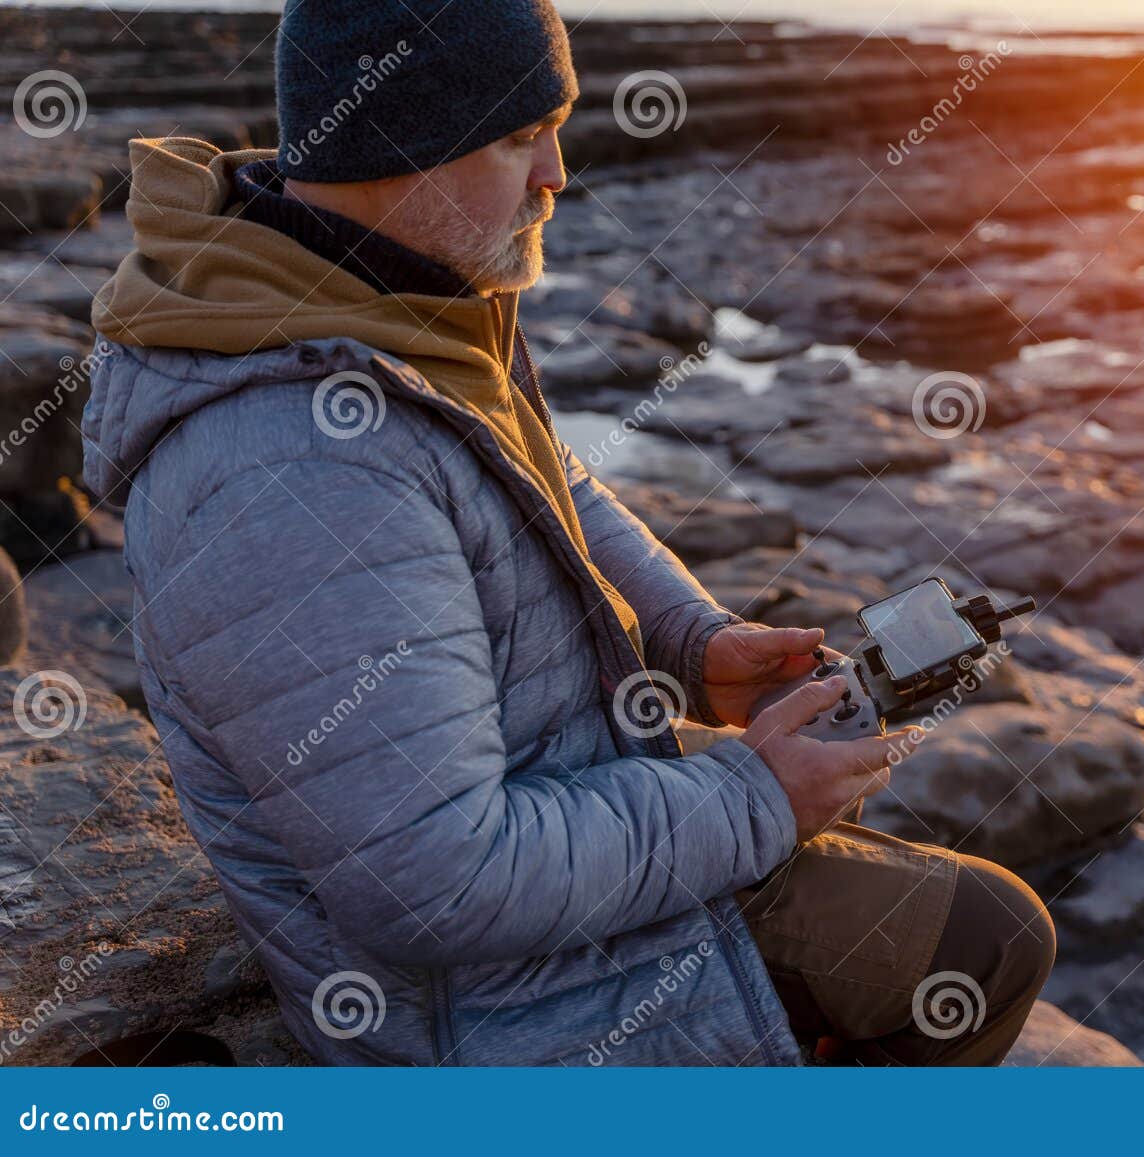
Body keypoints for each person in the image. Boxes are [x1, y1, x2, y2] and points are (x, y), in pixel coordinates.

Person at [82, 0, 1053, 1066]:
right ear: (398, 139)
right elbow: (437, 880)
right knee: (987, 942)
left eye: (555, 125)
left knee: (962, 911)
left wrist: (689, 637)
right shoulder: (290, 466)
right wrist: (749, 794)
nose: (555, 173)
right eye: (517, 137)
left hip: (563, 795)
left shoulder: (396, 302)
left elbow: (553, 485)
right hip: (484, 1005)